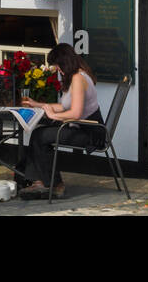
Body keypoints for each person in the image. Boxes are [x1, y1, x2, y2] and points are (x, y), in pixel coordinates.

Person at [19, 43, 106, 199]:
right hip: (81, 128)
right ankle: (39, 181)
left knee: (41, 136)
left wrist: (53, 116)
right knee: (39, 132)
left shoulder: (78, 78)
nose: (57, 70)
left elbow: (76, 112)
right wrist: (37, 104)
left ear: (65, 62)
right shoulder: (76, 76)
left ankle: (54, 184)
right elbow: (63, 106)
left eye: (57, 66)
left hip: (90, 132)